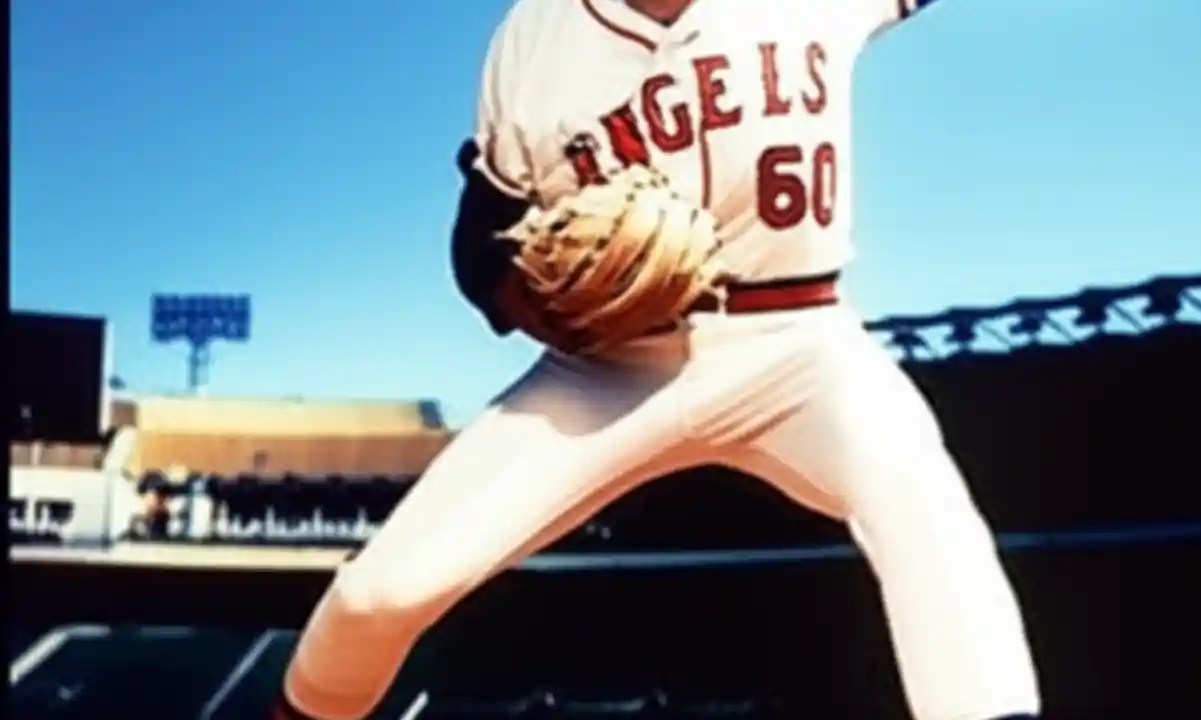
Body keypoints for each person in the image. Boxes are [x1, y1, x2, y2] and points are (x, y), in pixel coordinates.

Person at [273, 1, 1041, 718]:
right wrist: (533, 301)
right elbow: (480, 238)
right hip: (606, 368)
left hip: (798, 343)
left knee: (920, 500)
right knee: (377, 597)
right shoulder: (536, 37)